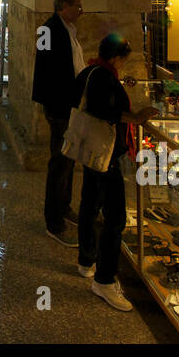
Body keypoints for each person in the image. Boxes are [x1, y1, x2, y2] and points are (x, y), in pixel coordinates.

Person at [72, 33, 158, 311]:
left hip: (90, 149)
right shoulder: (104, 76)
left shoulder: (90, 71)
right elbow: (101, 109)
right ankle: (104, 280)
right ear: (117, 58)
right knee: (115, 217)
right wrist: (134, 117)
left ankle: (86, 260)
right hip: (105, 153)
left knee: (90, 203)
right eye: (123, 59)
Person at [31, 0, 84, 246]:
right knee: (60, 163)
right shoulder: (48, 30)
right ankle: (54, 223)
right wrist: (54, 102)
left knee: (69, 159)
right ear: (63, 6)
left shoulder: (68, 29)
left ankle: (64, 206)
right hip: (60, 105)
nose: (81, 11)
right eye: (77, 6)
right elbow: (46, 69)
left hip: (69, 104)